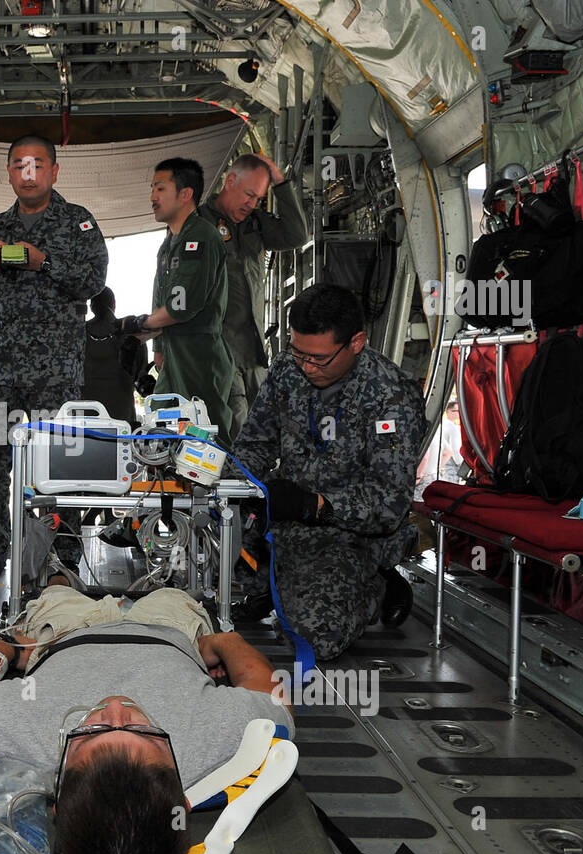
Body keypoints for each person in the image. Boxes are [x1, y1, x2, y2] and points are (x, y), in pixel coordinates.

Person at [0, 585, 289, 854]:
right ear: (181, 784)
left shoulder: (15, 732)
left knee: (55, 592)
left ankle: (61, 572)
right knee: (172, 591)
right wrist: (224, 644)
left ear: (58, 792)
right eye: (144, 733)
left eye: (89, 734)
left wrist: (9, 647)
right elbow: (275, 699)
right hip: (168, 627)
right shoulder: (213, 741)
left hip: (65, 630)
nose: (116, 708)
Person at [233, 282, 426, 660]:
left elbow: (387, 505)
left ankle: (380, 583)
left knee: (316, 633)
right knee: (198, 576)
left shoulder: (392, 395)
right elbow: (254, 446)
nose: (306, 366)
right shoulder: (288, 371)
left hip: (350, 536)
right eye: (298, 352)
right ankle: (272, 584)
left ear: (356, 342)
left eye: (318, 359)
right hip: (281, 523)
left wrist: (314, 505)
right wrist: (235, 489)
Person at [0, 134, 108, 578]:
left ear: (54, 171)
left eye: (38, 164)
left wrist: (44, 262)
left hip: (54, 374)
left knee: (59, 463)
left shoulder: (78, 223)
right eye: (19, 165)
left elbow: (93, 281)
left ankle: (62, 553)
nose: (29, 173)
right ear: (8, 173)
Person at [119, 158, 234, 438]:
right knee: (167, 435)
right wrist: (157, 346)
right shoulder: (170, 242)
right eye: (152, 189)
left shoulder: (200, 238)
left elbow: (180, 306)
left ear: (185, 194)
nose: (152, 197)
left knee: (208, 435)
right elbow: (162, 297)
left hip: (198, 353)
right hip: (173, 353)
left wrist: (137, 324)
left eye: (160, 189)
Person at [197, 153, 308, 440]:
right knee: (237, 430)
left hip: (255, 351)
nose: (252, 204)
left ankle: (254, 483)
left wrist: (281, 184)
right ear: (230, 181)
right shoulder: (196, 224)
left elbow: (296, 236)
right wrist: (162, 344)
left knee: (262, 431)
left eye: (258, 198)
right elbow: (169, 281)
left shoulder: (256, 224)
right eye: (249, 195)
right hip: (220, 348)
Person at [80, 287, 144, 426]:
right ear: (114, 304)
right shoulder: (130, 333)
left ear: (91, 307)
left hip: (85, 417)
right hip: (122, 416)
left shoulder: (78, 334)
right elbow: (140, 375)